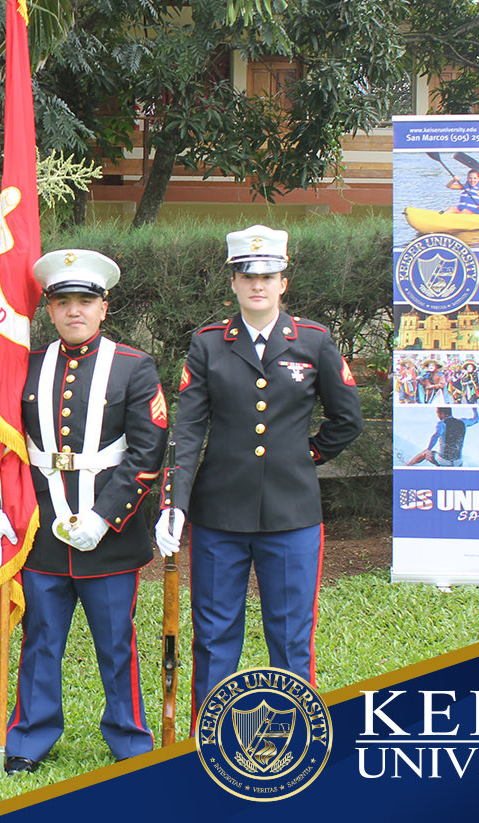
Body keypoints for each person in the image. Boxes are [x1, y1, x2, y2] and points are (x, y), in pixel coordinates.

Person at [157, 225, 363, 733]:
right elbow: (189, 429)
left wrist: (305, 455)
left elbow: (347, 419)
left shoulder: (313, 341)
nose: (257, 285)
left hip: (292, 516)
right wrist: (174, 503)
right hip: (219, 515)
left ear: (282, 283)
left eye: (267, 276)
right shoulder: (208, 345)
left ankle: (291, 737)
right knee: (214, 636)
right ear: (233, 282)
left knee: (291, 637)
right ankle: (210, 737)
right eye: (248, 276)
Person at [0, 249, 167, 773]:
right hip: (41, 532)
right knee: (40, 642)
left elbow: (147, 453)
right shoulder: (26, 365)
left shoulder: (133, 366)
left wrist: (105, 516)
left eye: (85, 301)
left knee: (116, 645)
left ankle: (129, 741)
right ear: (49, 310)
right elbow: (3, 442)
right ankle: (30, 737)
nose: (74, 311)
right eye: (63, 302)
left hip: (110, 536)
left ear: (104, 307)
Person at [406, 407, 479, 467]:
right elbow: (476, 420)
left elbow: (435, 436)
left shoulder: (442, 424)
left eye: (437, 413)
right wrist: (474, 410)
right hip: (458, 462)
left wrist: (428, 449)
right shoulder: (463, 422)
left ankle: (408, 465)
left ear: (442, 413)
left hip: (443, 461)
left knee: (425, 453)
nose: (438, 416)